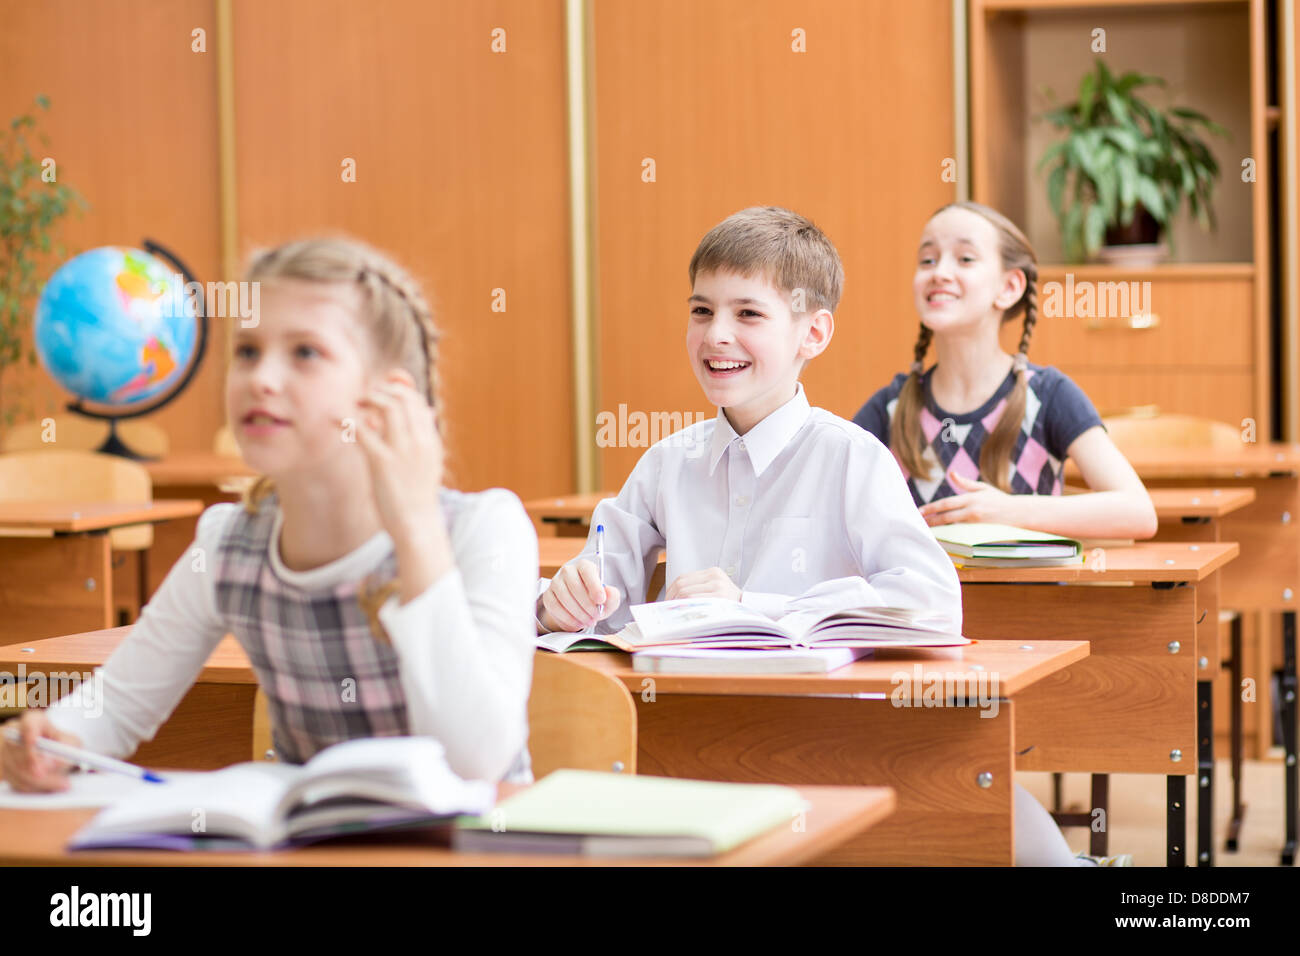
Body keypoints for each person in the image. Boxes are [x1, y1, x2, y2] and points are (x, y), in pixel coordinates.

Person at [1, 237, 538, 791]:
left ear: (389, 398)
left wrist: (416, 528)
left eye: (305, 352)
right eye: (248, 351)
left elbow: (477, 764)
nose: (261, 377)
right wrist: (51, 738)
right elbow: (116, 704)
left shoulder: (481, 529)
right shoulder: (229, 543)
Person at [536, 205, 963, 647]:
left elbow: (933, 605)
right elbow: (597, 601)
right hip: (682, 704)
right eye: (702, 310)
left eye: (748, 314)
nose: (716, 334)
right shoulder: (667, 463)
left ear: (813, 334)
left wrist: (752, 606)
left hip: (813, 710)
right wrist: (558, 606)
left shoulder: (851, 457)